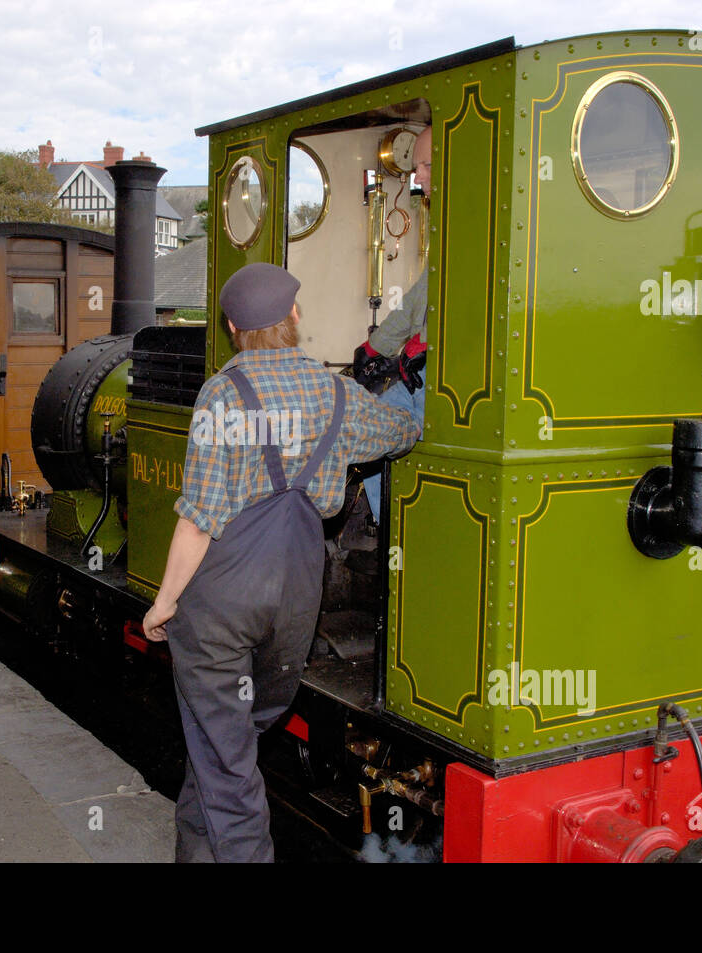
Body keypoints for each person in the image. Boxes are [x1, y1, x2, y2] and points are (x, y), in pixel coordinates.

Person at [142, 262, 419, 862]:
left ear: (234, 326)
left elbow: (198, 519)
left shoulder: (221, 393)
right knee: (226, 745)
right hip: (295, 597)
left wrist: (163, 603)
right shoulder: (334, 391)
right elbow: (400, 432)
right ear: (294, 317)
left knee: (228, 764)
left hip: (220, 600)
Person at [352, 124, 433, 522]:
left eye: (426, 165)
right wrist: (374, 348)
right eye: (416, 165)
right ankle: (387, 529)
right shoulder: (449, 225)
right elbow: (417, 300)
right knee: (369, 424)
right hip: (418, 376)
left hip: (435, 382)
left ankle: (401, 532)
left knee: (378, 429)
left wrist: (425, 346)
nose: (417, 177)